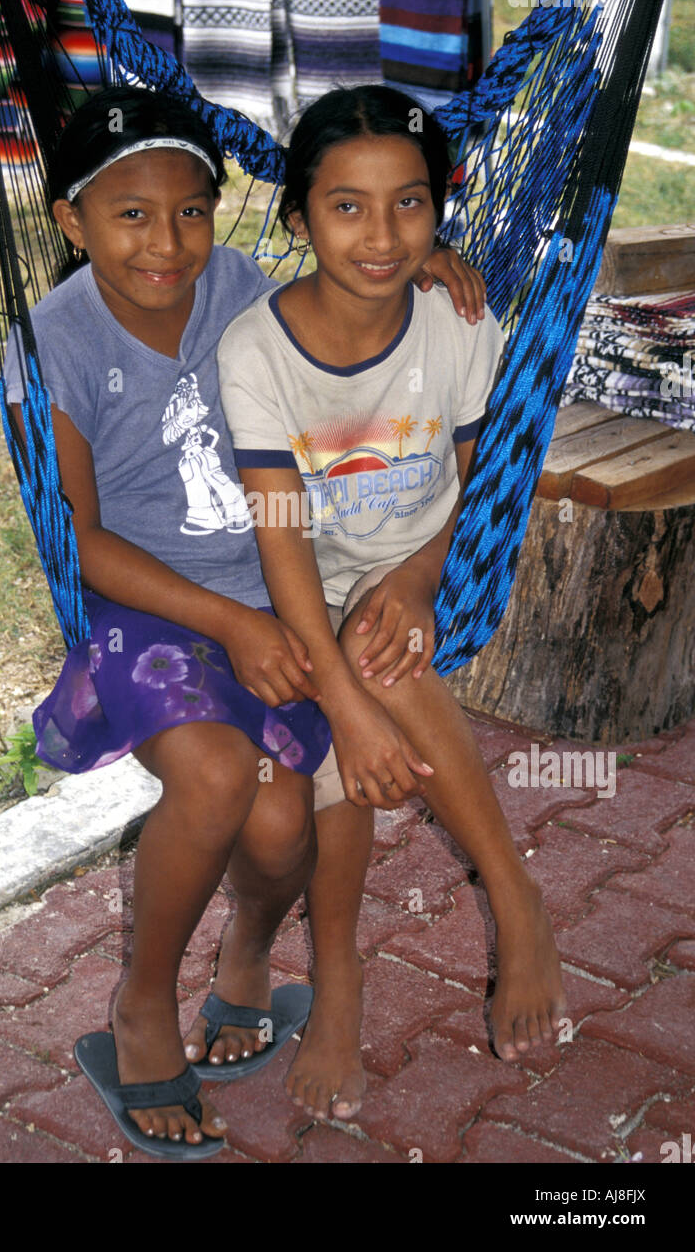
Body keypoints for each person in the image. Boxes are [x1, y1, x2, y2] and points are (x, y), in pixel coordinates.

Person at [3, 84, 486, 1154]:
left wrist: (426, 266)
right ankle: (141, 1005)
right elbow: (71, 538)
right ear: (71, 221)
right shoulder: (50, 348)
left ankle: (248, 957)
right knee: (220, 781)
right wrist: (226, 621)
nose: (165, 243)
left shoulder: (240, 289)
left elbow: (349, 305)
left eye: (189, 210)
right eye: (128, 215)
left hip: (276, 589)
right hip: (152, 610)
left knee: (276, 831)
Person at [216, 84, 567, 1123]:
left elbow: (479, 492)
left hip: (428, 567)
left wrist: (414, 577)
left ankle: (470, 922)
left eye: (408, 205)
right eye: (347, 207)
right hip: (297, 593)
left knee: (378, 649)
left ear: (438, 211)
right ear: (298, 221)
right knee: (352, 704)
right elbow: (281, 549)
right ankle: (503, 899)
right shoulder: (256, 352)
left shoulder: (459, 319)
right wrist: (351, 702)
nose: (380, 235)